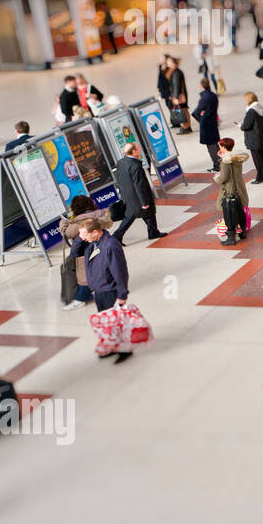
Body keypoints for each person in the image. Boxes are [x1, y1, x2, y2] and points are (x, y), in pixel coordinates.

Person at [75, 218, 134, 361]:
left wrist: (122, 294)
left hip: (110, 291)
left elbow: (120, 271)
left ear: (95, 232)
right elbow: (74, 253)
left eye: (85, 234)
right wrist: (80, 237)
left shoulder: (110, 245)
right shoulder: (92, 243)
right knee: (107, 323)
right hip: (99, 290)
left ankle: (125, 350)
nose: (83, 238)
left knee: (116, 323)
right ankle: (113, 346)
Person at [59, 194, 110, 310]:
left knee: (84, 273)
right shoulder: (98, 214)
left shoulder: (80, 221)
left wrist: (63, 224)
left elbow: (67, 234)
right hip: (100, 247)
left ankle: (81, 298)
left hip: (85, 251)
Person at [112, 143, 165, 244]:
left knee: (148, 214)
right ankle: (116, 236)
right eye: (138, 149)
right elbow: (139, 185)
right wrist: (144, 202)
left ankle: (153, 232)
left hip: (128, 195)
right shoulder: (136, 166)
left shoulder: (121, 162)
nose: (140, 151)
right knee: (132, 217)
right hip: (137, 197)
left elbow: (120, 179)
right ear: (133, 152)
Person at [214, 137, 250, 245]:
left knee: (228, 214)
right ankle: (243, 233)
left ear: (224, 147)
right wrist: (223, 155)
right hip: (239, 187)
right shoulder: (237, 158)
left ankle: (231, 238)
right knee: (240, 211)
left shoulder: (225, 161)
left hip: (229, 190)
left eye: (221, 146)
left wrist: (216, 178)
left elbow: (224, 178)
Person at [235, 91, 263, 184]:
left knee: (258, 158)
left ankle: (260, 177)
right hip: (261, 135)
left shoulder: (251, 110)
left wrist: (240, 125)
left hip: (254, 137)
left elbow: (246, 126)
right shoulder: (259, 107)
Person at [191, 77, 222, 172]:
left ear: (201, 86)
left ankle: (217, 166)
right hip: (213, 122)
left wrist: (201, 119)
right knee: (216, 144)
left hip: (206, 125)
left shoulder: (204, 98)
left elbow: (195, 113)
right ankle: (221, 163)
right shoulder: (213, 95)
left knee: (211, 147)